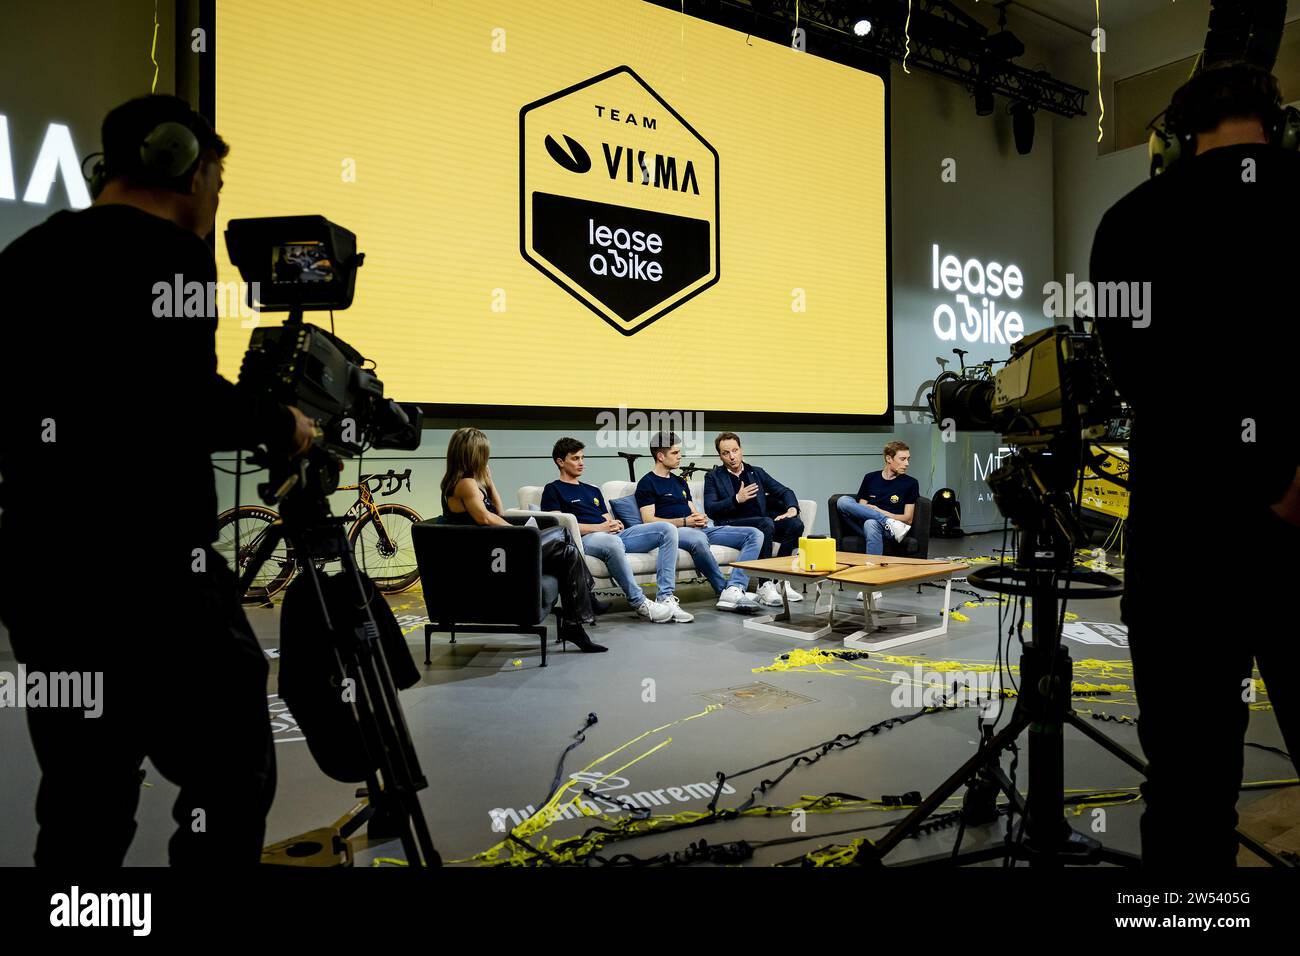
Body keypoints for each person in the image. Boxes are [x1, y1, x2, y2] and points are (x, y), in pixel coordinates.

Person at [0, 95, 317, 866]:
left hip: (44, 578)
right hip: (153, 578)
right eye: (215, 176)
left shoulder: (25, 257)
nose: (214, 196)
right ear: (183, 162)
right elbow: (181, 399)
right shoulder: (167, 254)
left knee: (82, 796)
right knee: (232, 774)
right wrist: (286, 427)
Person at [1091, 60, 1300, 867]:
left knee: (1186, 787)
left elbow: (1139, 380)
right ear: (1280, 126)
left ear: (1172, 143)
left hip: (1183, 543)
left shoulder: (1125, 223)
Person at [440, 427, 606, 652]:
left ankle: (573, 624)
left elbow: (497, 512)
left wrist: (489, 482)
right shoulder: (465, 483)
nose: (486, 458)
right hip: (491, 553)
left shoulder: (471, 482)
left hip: (498, 545)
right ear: (473, 455)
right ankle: (582, 607)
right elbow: (486, 518)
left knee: (567, 551)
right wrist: (521, 534)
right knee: (562, 534)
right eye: (483, 453)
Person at [541, 438, 685, 623]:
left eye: (582, 458)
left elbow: (607, 519)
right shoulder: (553, 489)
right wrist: (600, 528)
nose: (581, 463)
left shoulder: (592, 490)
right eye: (575, 458)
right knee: (612, 541)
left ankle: (665, 596)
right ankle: (639, 602)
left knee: (666, 529)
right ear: (560, 462)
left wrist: (614, 524)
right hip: (587, 538)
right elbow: (560, 527)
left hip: (612, 536)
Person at [635, 432, 763, 613]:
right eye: (675, 453)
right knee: (697, 539)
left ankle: (735, 587)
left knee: (755, 534)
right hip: (675, 531)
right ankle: (723, 590)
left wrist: (699, 517)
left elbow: (691, 509)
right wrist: (684, 522)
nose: (680, 456)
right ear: (661, 456)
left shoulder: (680, 481)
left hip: (698, 528)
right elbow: (649, 520)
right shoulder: (647, 483)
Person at [703, 431, 805, 607]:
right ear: (720, 456)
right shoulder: (713, 477)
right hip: (732, 525)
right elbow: (711, 509)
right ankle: (764, 583)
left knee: (795, 524)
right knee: (764, 523)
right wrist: (736, 499)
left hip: (762, 522)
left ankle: (779, 579)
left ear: (741, 450)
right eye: (726, 453)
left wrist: (792, 508)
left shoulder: (756, 472)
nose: (732, 457)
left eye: (735, 450)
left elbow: (784, 491)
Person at [837, 441, 919, 555]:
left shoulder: (911, 483)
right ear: (889, 459)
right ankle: (885, 520)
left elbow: (908, 519)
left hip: (890, 529)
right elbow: (861, 507)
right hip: (866, 525)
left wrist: (880, 511)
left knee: (871, 523)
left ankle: (873, 568)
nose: (907, 464)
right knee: (842, 501)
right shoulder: (870, 478)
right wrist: (881, 516)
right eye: (902, 459)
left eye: (908, 459)